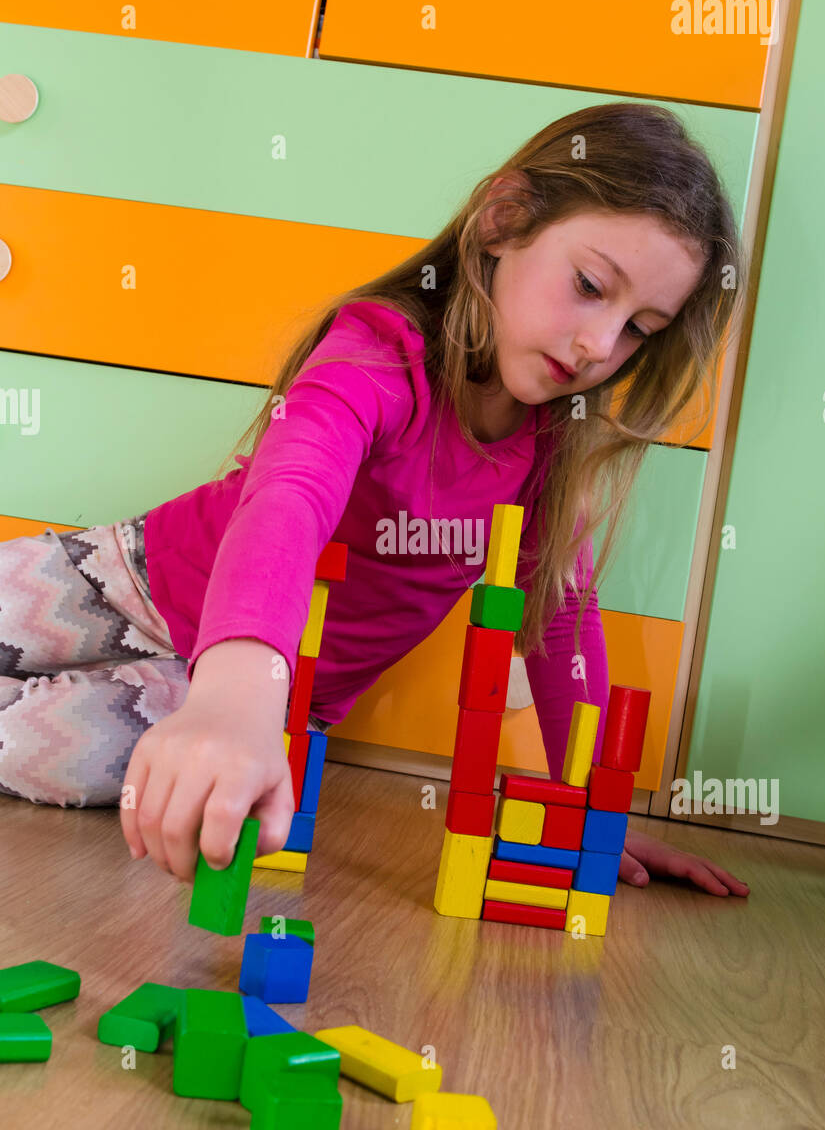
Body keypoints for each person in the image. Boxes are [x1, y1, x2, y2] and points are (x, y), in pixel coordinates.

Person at [0, 103, 749, 900]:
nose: (600, 345)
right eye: (590, 286)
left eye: (640, 327)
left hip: (264, 704)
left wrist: (592, 811)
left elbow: (559, 614)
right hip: (139, 575)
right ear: (503, 219)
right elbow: (289, 497)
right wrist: (237, 689)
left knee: (38, 750)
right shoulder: (377, 351)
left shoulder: (551, 450)